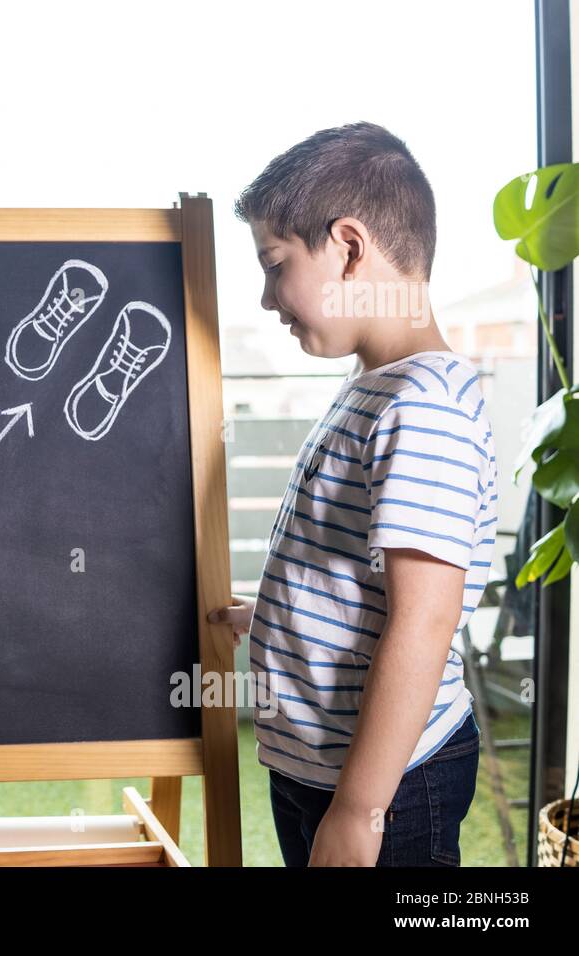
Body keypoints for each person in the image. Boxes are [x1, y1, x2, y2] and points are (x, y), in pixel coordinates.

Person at [207, 122, 494, 866]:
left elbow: (424, 621)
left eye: (275, 266)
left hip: (388, 786)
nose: (268, 297)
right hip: (319, 765)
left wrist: (361, 810)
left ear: (349, 246)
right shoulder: (375, 386)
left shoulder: (422, 407)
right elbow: (347, 566)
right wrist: (267, 613)